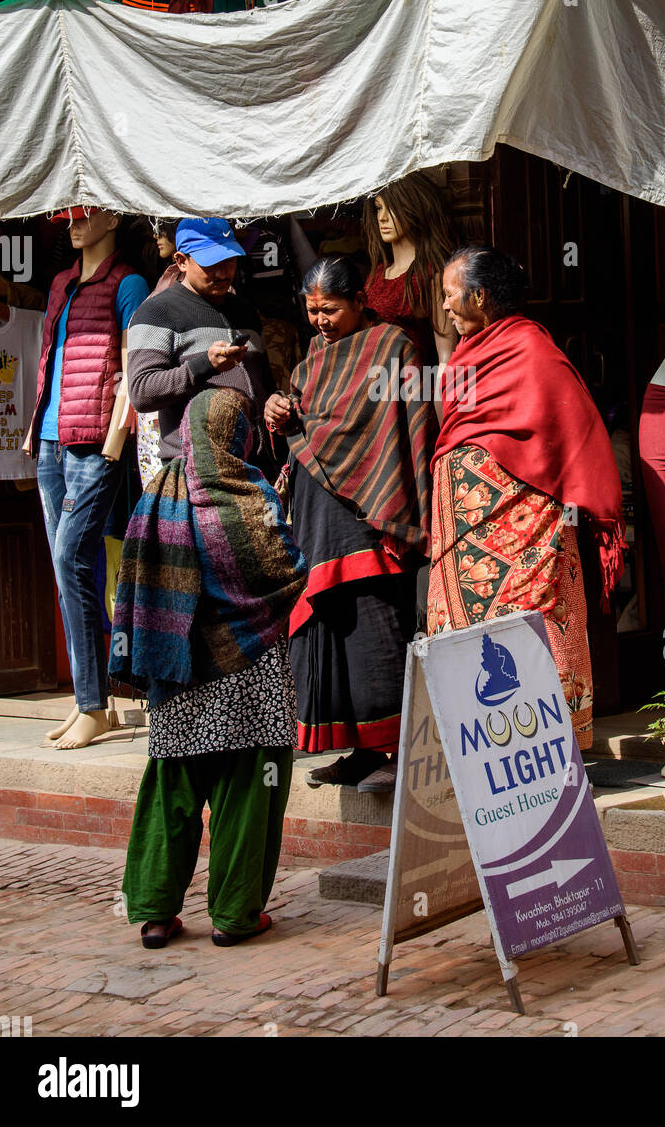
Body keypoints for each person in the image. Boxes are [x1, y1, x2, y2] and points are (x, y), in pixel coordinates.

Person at [110, 387, 307, 948]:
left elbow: (134, 586)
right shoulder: (248, 493)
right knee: (250, 787)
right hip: (251, 670)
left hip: (177, 669)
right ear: (237, 434)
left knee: (171, 785)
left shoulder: (154, 496)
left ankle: (153, 913)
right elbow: (286, 571)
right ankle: (235, 915)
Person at [427, 246, 627, 752]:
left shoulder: (531, 349)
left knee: (536, 623)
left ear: (479, 295)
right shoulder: (467, 352)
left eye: (451, 296)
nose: (446, 307)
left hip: (527, 530)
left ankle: (553, 748)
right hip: (466, 538)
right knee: (471, 639)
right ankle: (490, 752)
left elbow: (573, 429)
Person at [266, 256, 437, 793]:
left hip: (369, 513)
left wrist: (417, 508)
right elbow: (304, 419)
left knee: (374, 624)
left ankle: (398, 741)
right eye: (312, 310)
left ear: (360, 301)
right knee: (329, 624)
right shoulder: (312, 357)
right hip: (317, 511)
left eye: (331, 310)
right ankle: (356, 748)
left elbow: (408, 427)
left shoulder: (393, 347)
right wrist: (279, 411)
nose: (320, 321)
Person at [28, 206, 149, 750]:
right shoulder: (61, 282)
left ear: (113, 220)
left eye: (85, 212)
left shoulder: (129, 283)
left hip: (94, 443)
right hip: (51, 440)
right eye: (67, 214)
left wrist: (113, 447)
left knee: (70, 556)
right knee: (72, 567)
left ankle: (92, 706)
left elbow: (133, 366)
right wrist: (35, 426)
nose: (71, 221)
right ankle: (93, 699)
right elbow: (50, 356)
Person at [127, 217, 281, 472]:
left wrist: (275, 404)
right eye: (211, 264)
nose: (222, 273)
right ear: (181, 261)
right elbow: (141, 392)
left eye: (229, 261)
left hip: (255, 466)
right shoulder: (156, 312)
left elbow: (263, 384)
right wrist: (204, 366)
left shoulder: (245, 312)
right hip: (195, 470)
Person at [363, 174, 458, 369]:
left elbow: (446, 355)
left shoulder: (430, 274)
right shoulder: (376, 275)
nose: (382, 217)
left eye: (392, 208)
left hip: (414, 386)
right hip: (375, 384)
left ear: (413, 208)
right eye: (379, 208)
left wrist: (440, 398)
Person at [136, 221, 180, 488]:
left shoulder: (184, 285)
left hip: (169, 419)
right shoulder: (166, 280)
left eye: (164, 228)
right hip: (153, 412)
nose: (156, 236)